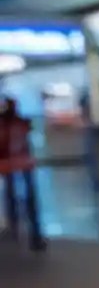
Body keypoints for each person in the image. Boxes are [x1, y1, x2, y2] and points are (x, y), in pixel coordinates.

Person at [0, 97, 46, 251]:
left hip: (9, 164)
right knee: (28, 199)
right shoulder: (22, 122)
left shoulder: (6, 124)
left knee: (12, 195)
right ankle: (34, 235)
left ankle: (15, 229)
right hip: (23, 163)